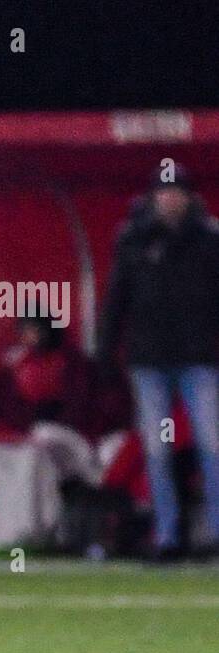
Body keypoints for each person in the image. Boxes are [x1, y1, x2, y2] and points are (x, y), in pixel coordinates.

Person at [100, 167, 219, 560]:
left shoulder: (208, 240)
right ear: (153, 198)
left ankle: (216, 533)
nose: (171, 198)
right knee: (157, 449)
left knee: (211, 445)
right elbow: (117, 298)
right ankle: (167, 536)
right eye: (164, 191)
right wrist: (106, 351)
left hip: (198, 359)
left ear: (189, 198)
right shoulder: (134, 239)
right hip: (148, 361)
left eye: (177, 191)